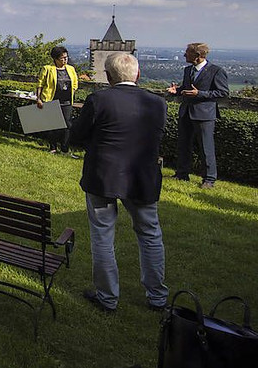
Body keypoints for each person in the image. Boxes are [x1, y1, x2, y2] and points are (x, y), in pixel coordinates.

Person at [69, 52, 169, 313]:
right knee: (150, 234)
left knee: (102, 235)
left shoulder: (100, 99)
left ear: (109, 76)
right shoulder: (157, 103)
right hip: (142, 176)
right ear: (138, 74)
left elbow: (78, 135)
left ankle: (108, 297)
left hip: (104, 175)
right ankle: (157, 295)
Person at [167, 42, 230, 188]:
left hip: (204, 114)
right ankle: (182, 174)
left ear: (197, 55)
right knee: (183, 145)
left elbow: (223, 92)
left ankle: (209, 179)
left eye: (187, 52)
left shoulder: (216, 71)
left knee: (206, 147)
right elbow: (186, 88)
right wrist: (176, 90)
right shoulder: (188, 70)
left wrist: (199, 93)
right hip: (186, 112)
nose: (184, 55)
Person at [36, 46, 79, 155]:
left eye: (66, 58)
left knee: (67, 125)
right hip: (52, 99)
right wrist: (39, 98)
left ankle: (65, 149)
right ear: (55, 59)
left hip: (67, 101)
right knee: (53, 125)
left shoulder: (71, 69)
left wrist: (72, 91)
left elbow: (75, 83)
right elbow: (40, 84)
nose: (64, 60)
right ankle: (53, 147)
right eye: (62, 58)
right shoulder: (48, 69)